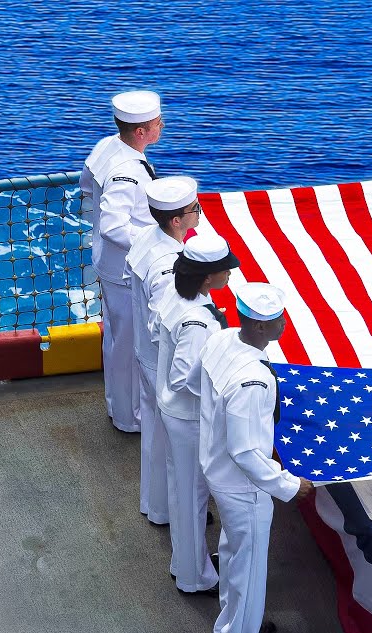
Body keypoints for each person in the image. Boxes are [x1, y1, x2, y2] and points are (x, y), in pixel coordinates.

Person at [199, 283, 314, 633]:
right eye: (278, 319)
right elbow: (246, 450)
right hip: (243, 485)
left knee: (234, 555)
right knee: (247, 565)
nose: (284, 323)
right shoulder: (254, 379)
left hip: (220, 472)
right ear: (262, 328)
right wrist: (289, 485)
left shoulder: (224, 339)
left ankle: (232, 626)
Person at [156, 229, 239, 595]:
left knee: (183, 492)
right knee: (192, 497)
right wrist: (224, 395)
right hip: (189, 417)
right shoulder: (198, 321)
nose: (230, 273)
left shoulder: (179, 298)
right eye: (225, 269)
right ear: (208, 276)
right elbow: (183, 377)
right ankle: (194, 576)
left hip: (176, 415)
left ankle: (186, 562)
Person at [80, 90, 165, 432]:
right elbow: (116, 225)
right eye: (158, 123)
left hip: (110, 263)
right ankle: (131, 419)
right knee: (130, 346)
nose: (162, 126)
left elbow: (87, 185)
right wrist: (154, 242)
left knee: (115, 339)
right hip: (127, 270)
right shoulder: (127, 170)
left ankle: (118, 407)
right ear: (142, 132)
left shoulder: (108, 146)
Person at [126, 175, 199, 526]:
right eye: (194, 210)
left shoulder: (147, 238)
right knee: (173, 445)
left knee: (153, 436)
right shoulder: (170, 266)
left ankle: (155, 506)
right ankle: (173, 509)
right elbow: (162, 317)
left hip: (146, 356)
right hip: (164, 365)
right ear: (176, 220)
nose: (198, 214)